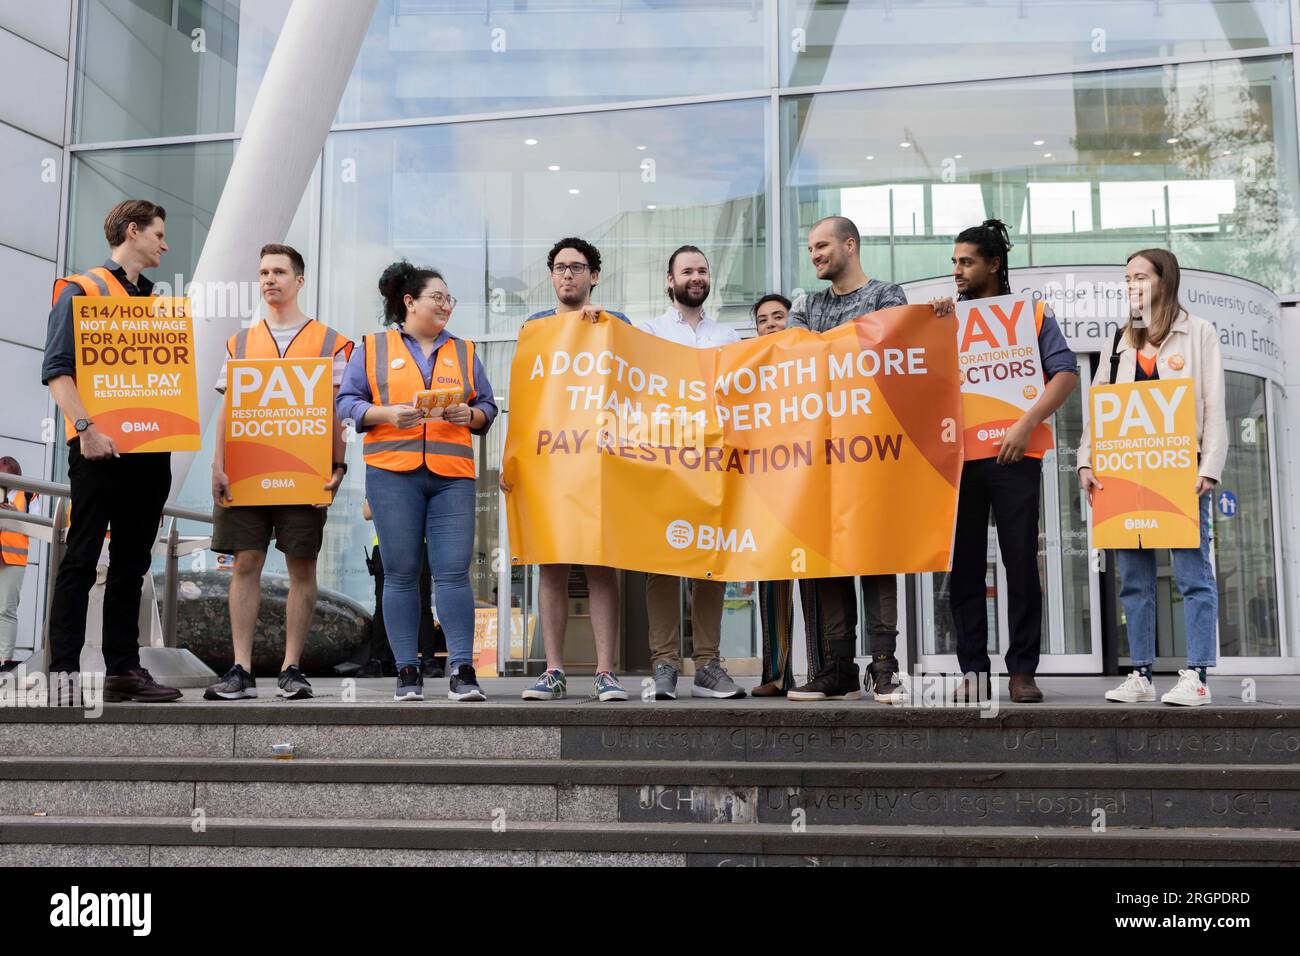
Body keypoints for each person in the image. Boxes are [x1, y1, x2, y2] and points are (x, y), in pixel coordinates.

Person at [337, 260, 498, 702]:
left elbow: (487, 405)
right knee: (401, 574)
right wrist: (385, 414)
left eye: (450, 299)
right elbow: (346, 402)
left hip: (452, 478)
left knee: (453, 573)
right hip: (392, 474)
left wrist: (473, 414)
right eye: (438, 297)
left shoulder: (464, 351)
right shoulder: (372, 347)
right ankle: (407, 670)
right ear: (409, 302)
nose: (446, 305)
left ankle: (463, 669)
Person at [40, 199, 181, 703]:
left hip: (150, 453)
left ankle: (123, 669)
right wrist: (86, 430)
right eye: (159, 234)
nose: (165, 244)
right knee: (80, 558)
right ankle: (63, 673)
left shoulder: (155, 302)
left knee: (131, 564)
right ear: (133, 230)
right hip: (99, 450)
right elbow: (57, 369)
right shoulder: (81, 290)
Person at [935, 220, 1079, 703]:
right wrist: (930, 322)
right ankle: (973, 673)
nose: (956, 270)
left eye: (966, 261)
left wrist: (1024, 424)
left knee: (1020, 563)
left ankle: (1022, 672)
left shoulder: (1031, 314)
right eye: (954, 261)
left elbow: (1064, 373)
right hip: (959, 461)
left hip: (1015, 457)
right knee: (966, 568)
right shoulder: (946, 319)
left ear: (994, 265)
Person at [204, 244, 353, 701]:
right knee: (245, 562)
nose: (270, 279)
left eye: (279, 272)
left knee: (300, 565)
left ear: (299, 280)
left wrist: (339, 465)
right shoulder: (241, 342)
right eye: (264, 272)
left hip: (306, 472)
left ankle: (292, 667)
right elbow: (229, 409)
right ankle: (241, 668)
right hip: (248, 470)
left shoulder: (331, 342)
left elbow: (339, 412)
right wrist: (217, 463)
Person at [1079, 249, 1227, 707]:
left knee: (1191, 574)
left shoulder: (1197, 332)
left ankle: (1196, 676)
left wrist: (1209, 469)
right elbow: (1099, 407)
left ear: (1165, 280)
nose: (1132, 284)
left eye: (1140, 276)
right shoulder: (1119, 342)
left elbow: (1214, 406)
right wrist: (1087, 461)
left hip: (1181, 471)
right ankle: (1140, 673)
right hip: (1125, 472)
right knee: (1134, 579)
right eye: (1127, 278)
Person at [786, 216, 908, 703]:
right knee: (827, 556)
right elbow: (790, 358)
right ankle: (837, 668)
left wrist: (825, 349)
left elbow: (892, 348)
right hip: (817, 457)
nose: (814, 254)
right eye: (809, 247)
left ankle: (884, 669)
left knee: (876, 556)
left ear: (850, 245)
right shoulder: (805, 305)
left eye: (822, 245)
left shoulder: (888, 296)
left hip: (873, 452)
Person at [514, 237, 628, 701]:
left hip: (600, 461)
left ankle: (605, 671)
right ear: (552, 276)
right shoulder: (534, 328)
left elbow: (634, 387)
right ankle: (554, 670)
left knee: (601, 565)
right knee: (552, 565)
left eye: (577, 268)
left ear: (593, 276)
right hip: (549, 461)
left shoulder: (616, 324)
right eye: (560, 268)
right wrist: (512, 459)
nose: (567, 275)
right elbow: (523, 399)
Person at [637, 245, 745, 700]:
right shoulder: (648, 332)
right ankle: (664, 664)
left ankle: (707, 664)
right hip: (665, 461)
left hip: (715, 464)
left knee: (710, 562)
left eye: (702, 270)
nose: (696, 277)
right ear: (670, 280)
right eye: (687, 271)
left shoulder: (730, 336)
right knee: (661, 564)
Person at [745, 294, 829, 696]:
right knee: (772, 585)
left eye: (779, 316)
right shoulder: (746, 369)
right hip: (767, 492)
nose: (771, 324)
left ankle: (820, 670)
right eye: (763, 320)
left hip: (811, 485)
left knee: (815, 585)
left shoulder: (815, 359)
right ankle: (775, 675)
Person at [359, 496, 444, 678]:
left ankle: (428, 661)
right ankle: (376, 661)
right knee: (382, 607)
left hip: (419, 544)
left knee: (423, 606)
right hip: (385, 546)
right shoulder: (382, 476)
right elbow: (367, 512)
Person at [0, 457, 36, 672]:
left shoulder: (30, 495)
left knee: (6, 608)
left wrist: (15, 514)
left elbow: (39, 526)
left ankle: (4, 659)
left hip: (13, 559)